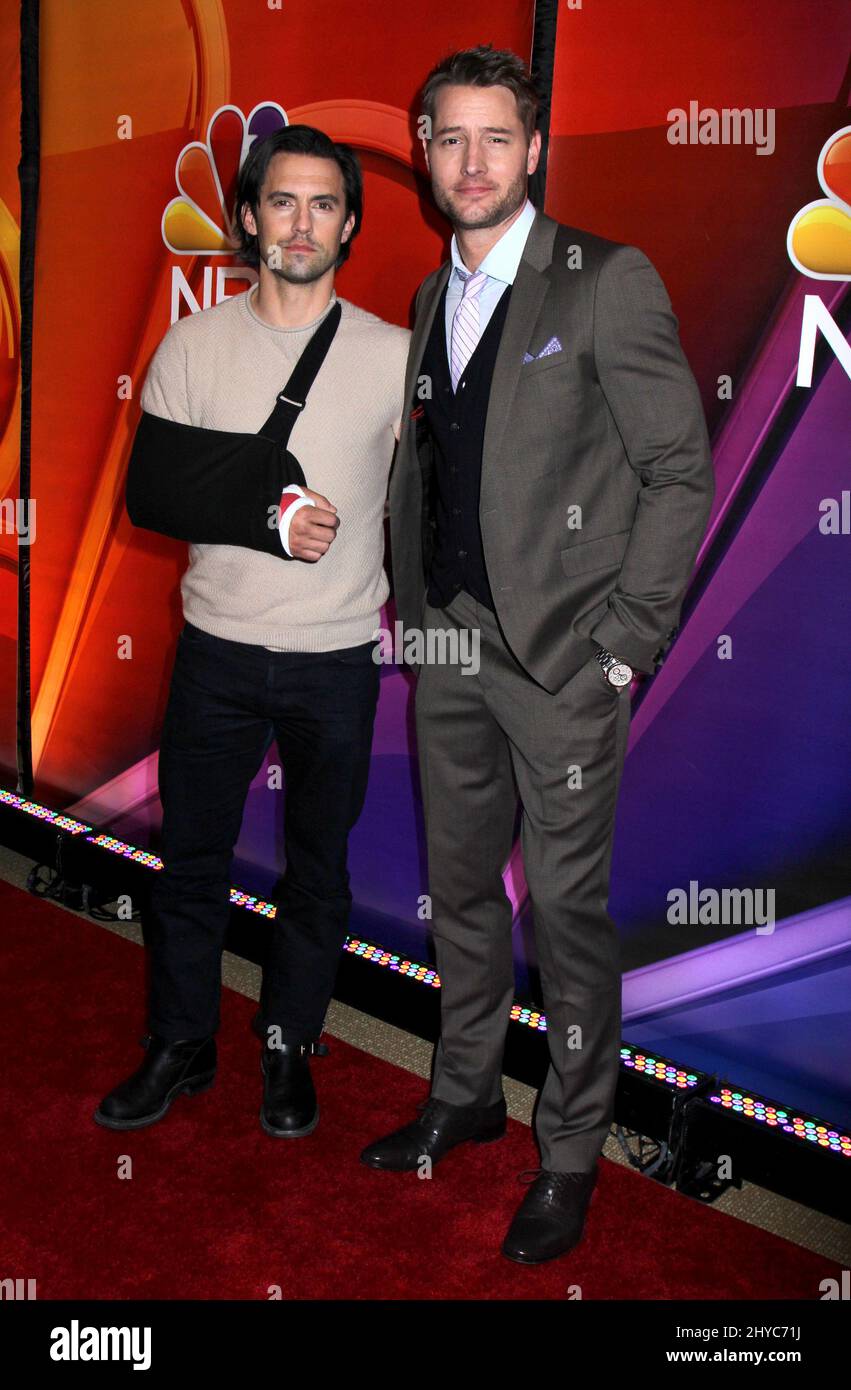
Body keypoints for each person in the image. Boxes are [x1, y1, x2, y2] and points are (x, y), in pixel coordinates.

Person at [360, 47, 715, 1264]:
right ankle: (465, 1093)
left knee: (562, 916)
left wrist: (621, 647)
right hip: (446, 644)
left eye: (495, 138)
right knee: (459, 892)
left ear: (534, 149)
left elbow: (678, 473)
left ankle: (567, 1154)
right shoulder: (425, 295)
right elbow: (431, 467)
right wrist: (410, 611)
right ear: (419, 146)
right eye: (449, 138)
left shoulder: (603, 281)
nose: (471, 162)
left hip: (563, 664)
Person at [95, 125, 409, 1140]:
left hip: (334, 662)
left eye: (323, 204)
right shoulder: (193, 344)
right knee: (191, 857)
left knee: (317, 869)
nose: (302, 222)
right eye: (282, 201)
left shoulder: (392, 357)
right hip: (217, 650)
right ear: (246, 217)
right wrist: (270, 516)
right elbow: (150, 493)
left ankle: (288, 1045)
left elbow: (435, 506)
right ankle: (182, 1042)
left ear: (349, 224)